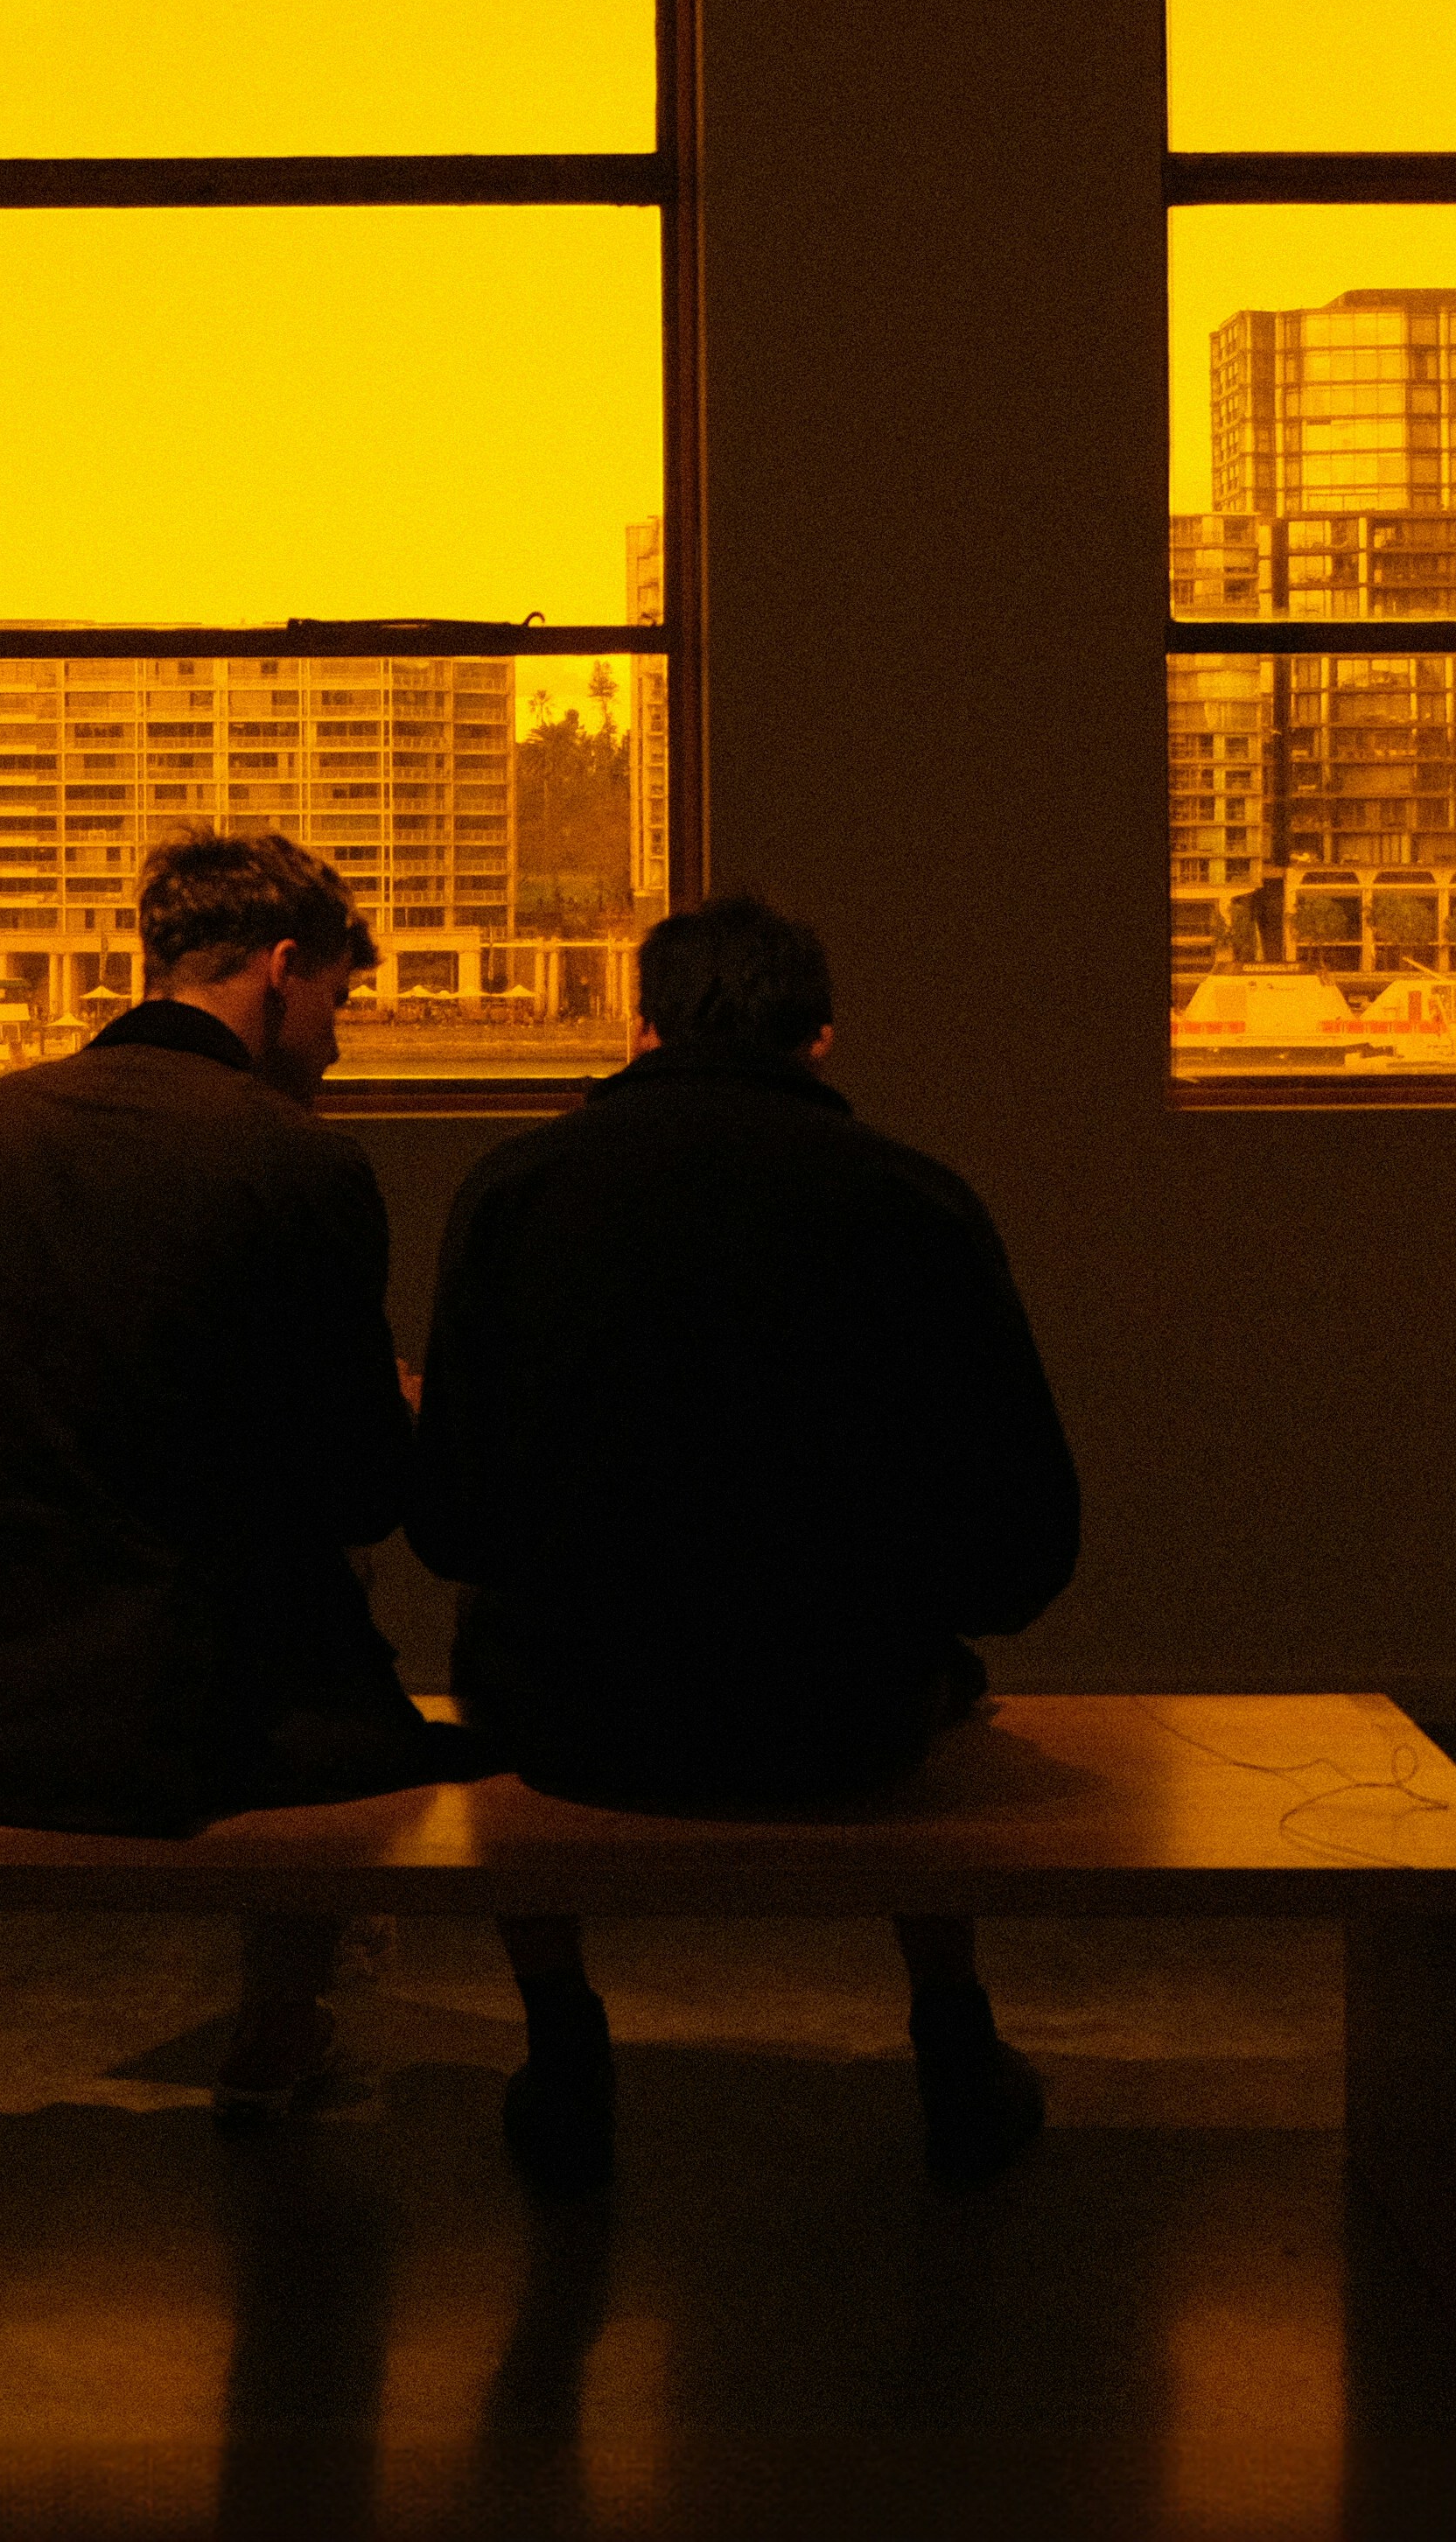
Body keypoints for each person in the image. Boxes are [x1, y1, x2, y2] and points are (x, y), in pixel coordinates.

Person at [0, 827, 472, 2113]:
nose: (339, 1040)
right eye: (338, 999)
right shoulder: (299, 1161)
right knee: (321, 1602)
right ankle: (286, 2009)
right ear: (278, 969)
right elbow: (363, 1493)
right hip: (167, 1723)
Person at [407, 892, 1080, 2192]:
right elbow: (1025, 1540)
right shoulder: (914, 1199)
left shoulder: (516, 1190)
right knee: (942, 1681)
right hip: (839, 1713)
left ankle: (561, 2042)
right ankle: (952, 2031)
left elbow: (451, 1522)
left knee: (485, 1641)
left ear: (642, 1026)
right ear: (819, 1037)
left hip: (571, 1710)